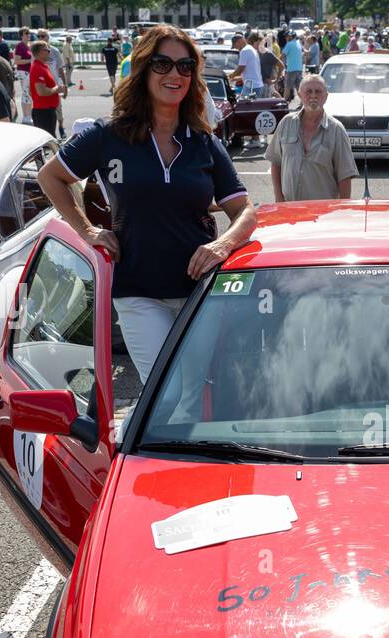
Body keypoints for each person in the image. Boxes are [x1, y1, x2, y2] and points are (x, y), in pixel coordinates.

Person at [38, 25, 255, 383]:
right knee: (163, 389)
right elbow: (51, 177)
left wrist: (222, 245)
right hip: (138, 291)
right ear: (143, 69)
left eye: (185, 67)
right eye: (162, 64)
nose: (175, 74)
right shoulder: (107, 135)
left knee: (197, 386)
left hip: (199, 292)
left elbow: (245, 211)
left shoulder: (203, 141)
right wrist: (89, 230)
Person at [265, 74, 357, 201]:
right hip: (289, 212)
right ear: (300, 95)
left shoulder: (336, 130)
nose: (313, 95)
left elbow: (345, 176)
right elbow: (276, 162)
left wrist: (342, 210)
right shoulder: (286, 123)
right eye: (308, 91)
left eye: (318, 91)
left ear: (326, 97)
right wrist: (279, 198)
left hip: (323, 214)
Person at [28, 40, 62, 136]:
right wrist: (57, 89)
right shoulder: (37, 68)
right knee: (47, 140)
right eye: (47, 50)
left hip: (46, 110)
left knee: (49, 138)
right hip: (43, 112)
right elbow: (41, 91)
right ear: (39, 52)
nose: (49, 52)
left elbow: (32, 91)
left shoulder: (43, 66)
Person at [15, 27, 34, 123]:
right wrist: (29, 61)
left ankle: (28, 114)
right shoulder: (20, 46)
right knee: (26, 93)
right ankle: (26, 116)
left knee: (29, 93)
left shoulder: (29, 45)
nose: (28, 35)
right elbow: (17, 61)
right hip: (23, 72)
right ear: (21, 35)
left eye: (29, 33)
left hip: (30, 71)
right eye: (26, 33)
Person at [283, 31, 303, 101]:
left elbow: (283, 54)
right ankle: (303, 102)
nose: (286, 38)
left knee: (287, 87)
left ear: (291, 36)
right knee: (298, 87)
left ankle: (284, 102)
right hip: (299, 68)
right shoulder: (298, 43)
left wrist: (281, 62)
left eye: (287, 36)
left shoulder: (289, 44)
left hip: (291, 69)